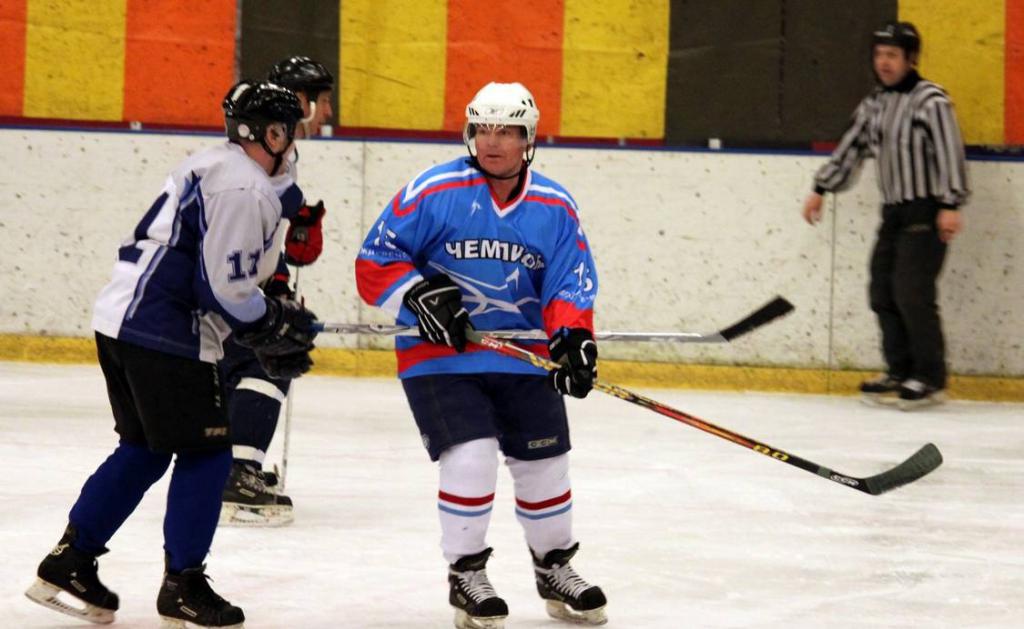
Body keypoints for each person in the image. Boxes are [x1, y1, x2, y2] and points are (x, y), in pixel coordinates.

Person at [24, 81, 318, 627]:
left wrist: (265, 303)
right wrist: (268, 322)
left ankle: (70, 561)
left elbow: (229, 267)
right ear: (272, 133)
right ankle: (183, 584)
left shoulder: (219, 166)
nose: (294, 142)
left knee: (143, 447)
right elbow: (224, 289)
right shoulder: (243, 186)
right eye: (290, 130)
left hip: (124, 321)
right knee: (208, 454)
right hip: (166, 330)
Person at [356, 82, 607, 628]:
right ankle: (467, 572)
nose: (493, 142)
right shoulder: (432, 190)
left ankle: (554, 567)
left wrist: (571, 337)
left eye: (507, 131)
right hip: (438, 355)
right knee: (470, 454)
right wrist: (417, 295)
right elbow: (375, 260)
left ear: (528, 139)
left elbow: (570, 283)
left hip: (522, 355)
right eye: (483, 129)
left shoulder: (555, 206)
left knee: (545, 462)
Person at [801, 21, 969, 410]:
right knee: (882, 291)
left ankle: (929, 378)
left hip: (927, 208)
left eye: (892, 55)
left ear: (911, 59)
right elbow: (851, 148)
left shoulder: (932, 101)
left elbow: (950, 154)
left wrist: (951, 204)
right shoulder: (875, 103)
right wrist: (821, 187)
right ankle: (900, 370)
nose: (884, 62)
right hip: (894, 211)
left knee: (912, 292)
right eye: (879, 55)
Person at [219, 56, 333, 527]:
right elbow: (262, 205)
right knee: (269, 355)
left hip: (235, 272)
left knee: (249, 361)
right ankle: (236, 473)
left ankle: (227, 467)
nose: (327, 112)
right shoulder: (265, 152)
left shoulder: (273, 147)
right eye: (322, 101)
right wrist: (301, 213)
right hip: (229, 277)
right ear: (300, 102)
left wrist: (280, 273)